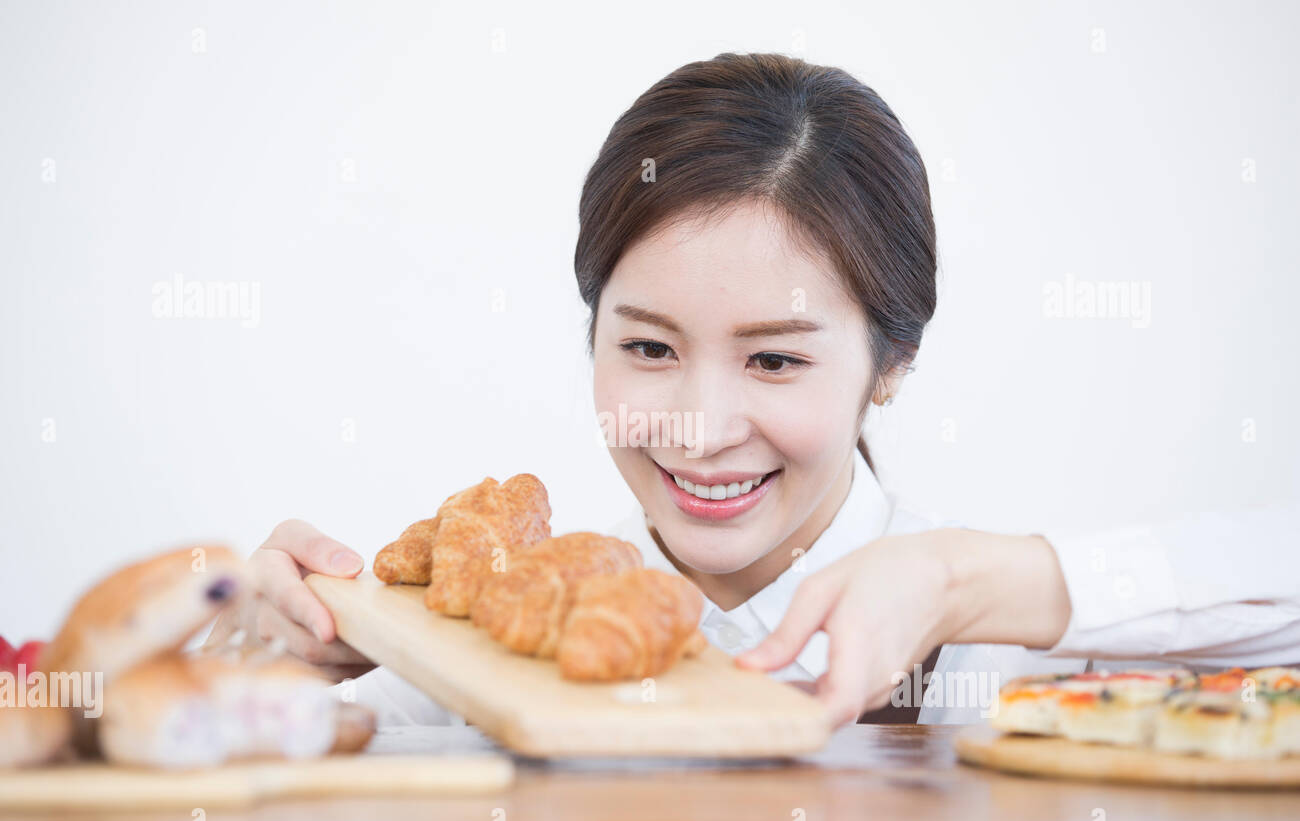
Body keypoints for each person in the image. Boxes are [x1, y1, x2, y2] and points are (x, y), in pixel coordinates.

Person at [208, 52, 1300, 730]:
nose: (699, 423)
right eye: (647, 348)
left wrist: (967, 581)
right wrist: (264, 668)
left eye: (775, 358)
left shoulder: (1011, 656)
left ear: (893, 363)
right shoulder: (490, 653)